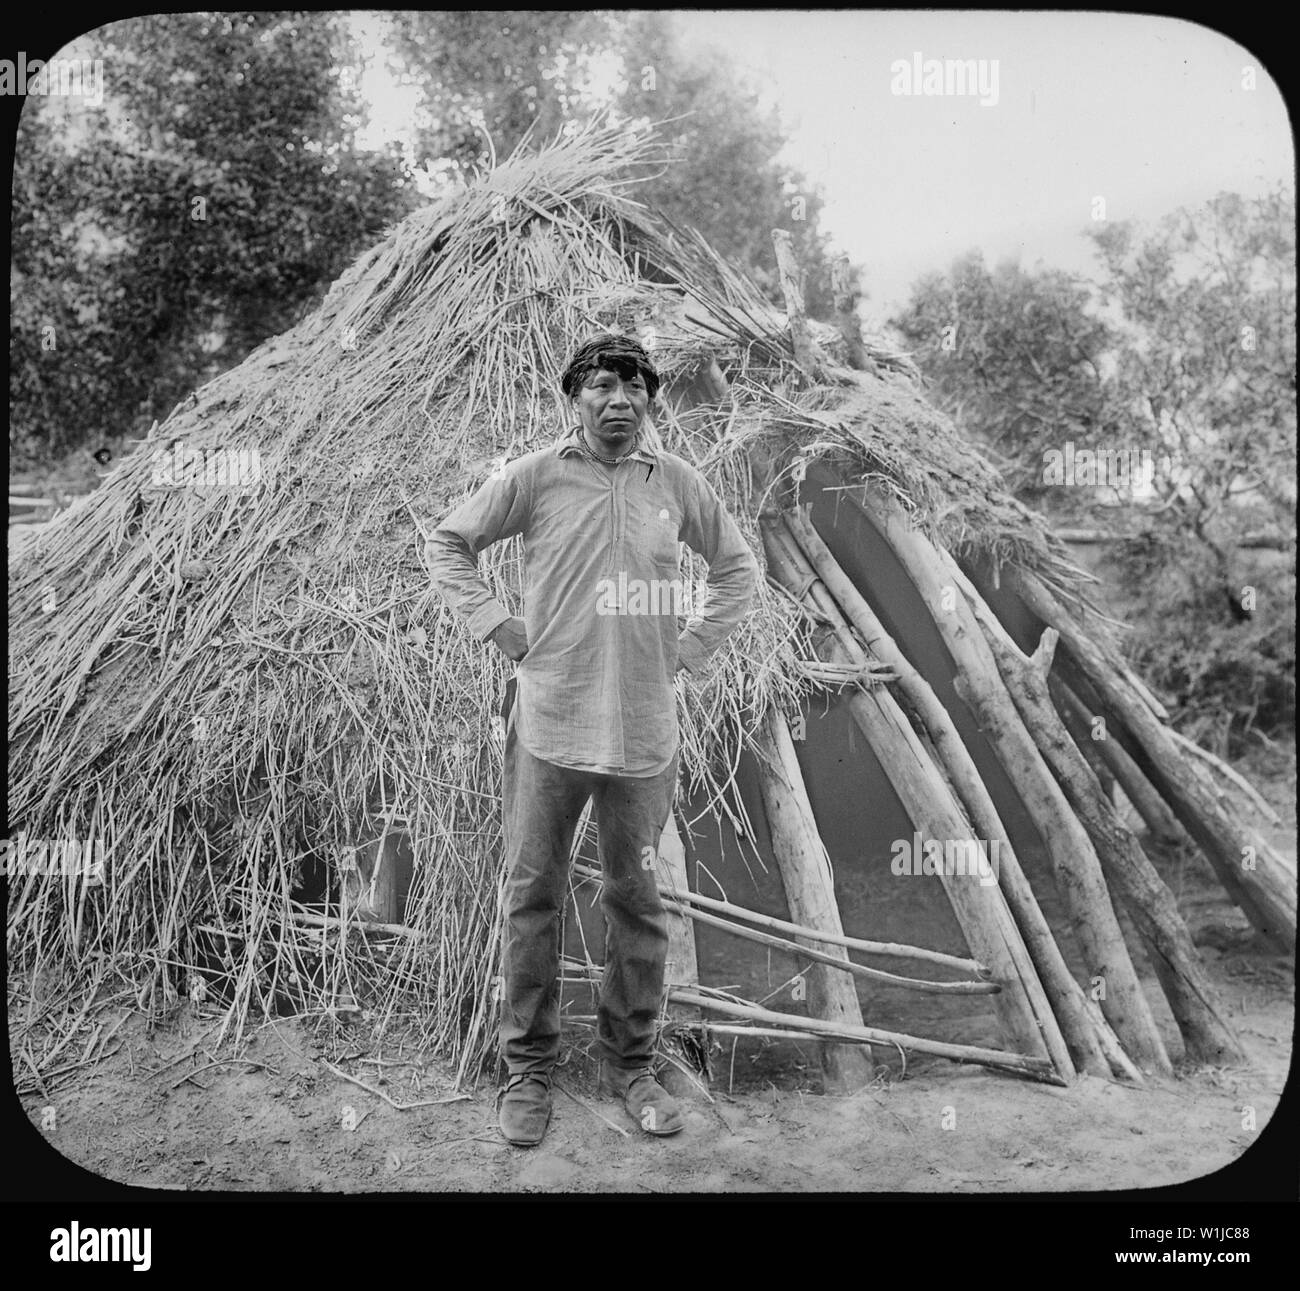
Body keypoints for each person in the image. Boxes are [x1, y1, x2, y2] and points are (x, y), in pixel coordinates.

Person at [425, 334, 760, 1146]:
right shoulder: (537, 477)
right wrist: (498, 625)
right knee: (532, 896)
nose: (618, 401)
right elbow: (448, 541)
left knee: (637, 903)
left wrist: (690, 647)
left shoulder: (675, 485)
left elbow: (737, 568)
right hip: (551, 724)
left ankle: (631, 1065)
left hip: (644, 734)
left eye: (633, 388)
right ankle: (529, 1071)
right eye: (601, 387)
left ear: (651, 401)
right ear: (574, 399)